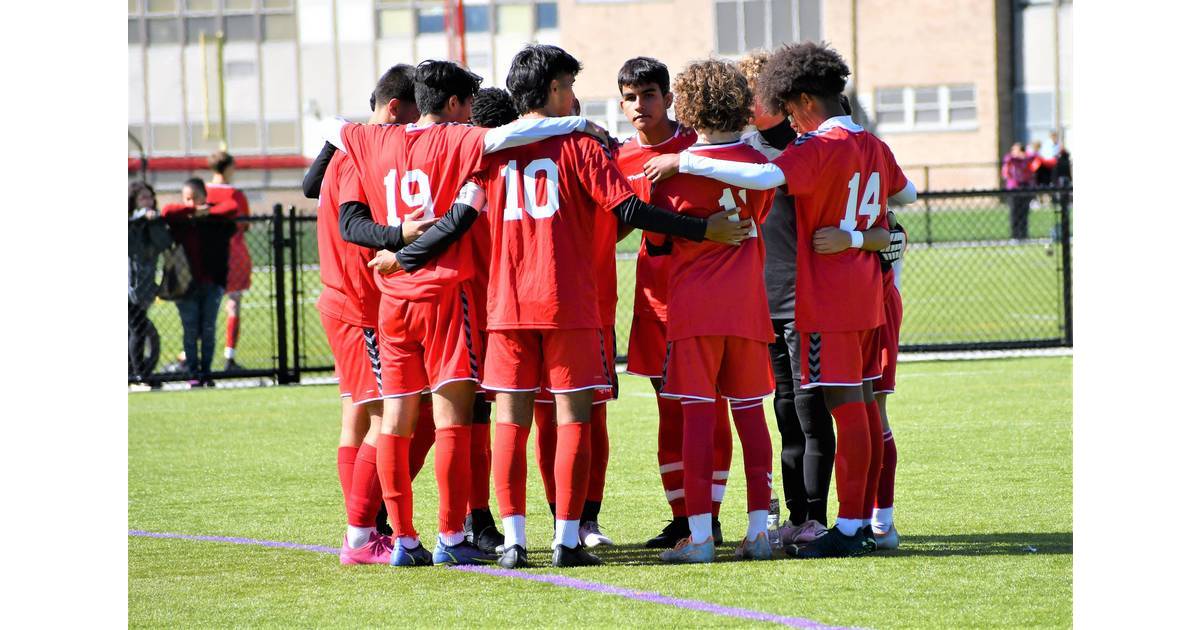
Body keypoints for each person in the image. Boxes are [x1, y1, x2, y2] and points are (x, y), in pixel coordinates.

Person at [392, 44, 751, 569]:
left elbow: (456, 216)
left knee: (511, 422)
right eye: (569, 85)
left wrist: (400, 257)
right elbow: (628, 208)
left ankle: (515, 541)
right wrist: (703, 228)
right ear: (555, 90)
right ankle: (567, 538)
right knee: (574, 418)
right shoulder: (581, 146)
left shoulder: (488, 152)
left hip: (507, 305)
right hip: (568, 304)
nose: (576, 96)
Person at [324, 58, 617, 568]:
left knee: (393, 419)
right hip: (446, 291)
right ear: (457, 105)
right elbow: (508, 139)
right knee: (454, 418)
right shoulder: (459, 140)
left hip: (392, 295)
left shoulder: (373, 139)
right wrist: (578, 122)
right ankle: (451, 535)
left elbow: (331, 132)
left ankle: (400, 540)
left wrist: (395, 244)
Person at [644, 41, 918, 558]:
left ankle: (854, 526)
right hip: (867, 292)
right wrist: (862, 230)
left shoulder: (819, 146)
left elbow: (767, 175)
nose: (791, 120)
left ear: (805, 100)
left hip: (827, 296)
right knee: (859, 407)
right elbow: (908, 198)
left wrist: (686, 160)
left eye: (790, 108)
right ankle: (869, 522)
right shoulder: (875, 146)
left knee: (844, 410)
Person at [651, 59, 776, 564]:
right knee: (751, 419)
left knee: (698, 422)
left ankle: (700, 536)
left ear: (686, 105)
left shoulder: (672, 168)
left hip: (695, 311)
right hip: (747, 307)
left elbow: (658, 241)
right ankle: (759, 532)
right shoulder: (757, 162)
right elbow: (760, 210)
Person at [611, 56, 734, 550]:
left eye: (649, 95)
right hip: (654, 298)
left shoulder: (697, 146)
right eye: (630, 98)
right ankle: (682, 517)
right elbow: (615, 227)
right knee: (669, 409)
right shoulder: (619, 159)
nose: (640, 106)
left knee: (711, 405)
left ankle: (713, 514)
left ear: (668, 98)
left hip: (707, 298)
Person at [302, 65, 421, 564]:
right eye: (417, 114)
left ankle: (364, 523)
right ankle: (361, 534)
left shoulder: (344, 149)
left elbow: (311, 185)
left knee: (356, 418)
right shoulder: (366, 152)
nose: (421, 127)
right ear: (394, 108)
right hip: (361, 304)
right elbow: (355, 225)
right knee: (387, 419)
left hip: (341, 299)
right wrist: (400, 235)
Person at [738, 52, 836, 547]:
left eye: (753, 91)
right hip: (763, 300)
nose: (746, 101)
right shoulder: (741, 148)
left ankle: (817, 517)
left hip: (806, 298)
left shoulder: (811, 146)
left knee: (810, 406)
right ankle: (794, 516)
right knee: (782, 409)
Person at [161, 178, 237, 386]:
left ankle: (206, 372)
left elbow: (232, 207)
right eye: (187, 198)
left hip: (212, 283)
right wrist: (191, 211)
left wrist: (207, 212)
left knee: (209, 329)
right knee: (191, 330)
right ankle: (193, 373)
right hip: (186, 285)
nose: (192, 202)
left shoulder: (215, 219)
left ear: (205, 197)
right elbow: (166, 211)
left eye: (196, 198)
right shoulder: (181, 220)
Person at [205, 151, 253, 371]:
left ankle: (193, 355)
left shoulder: (202, 191)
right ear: (227, 168)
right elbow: (244, 224)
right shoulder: (235, 194)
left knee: (204, 307)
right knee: (233, 305)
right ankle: (229, 356)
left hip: (207, 254)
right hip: (233, 254)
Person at [128, 182, 173, 380]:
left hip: (144, 287)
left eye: (150, 197)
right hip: (128, 286)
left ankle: (133, 373)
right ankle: (139, 376)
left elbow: (165, 243)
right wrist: (139, 219)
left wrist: (153, 222)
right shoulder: (130, 223)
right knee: (138, 329)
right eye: (142, 198)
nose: (148, 202)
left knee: (135, 329)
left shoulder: (155, 223)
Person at [1001, 142, 1034, 239]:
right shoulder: (1011, 160)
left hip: (1025, 186)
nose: (1013, 152)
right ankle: (1015, 235)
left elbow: (1034, 157)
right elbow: (1008, 158)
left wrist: (1024, 154)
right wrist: (1017, 156)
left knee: (1024, 212)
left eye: (1016, 150)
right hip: (1014, 188)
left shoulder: (1026, 159)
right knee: (1014, 212)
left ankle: (1023, 234)